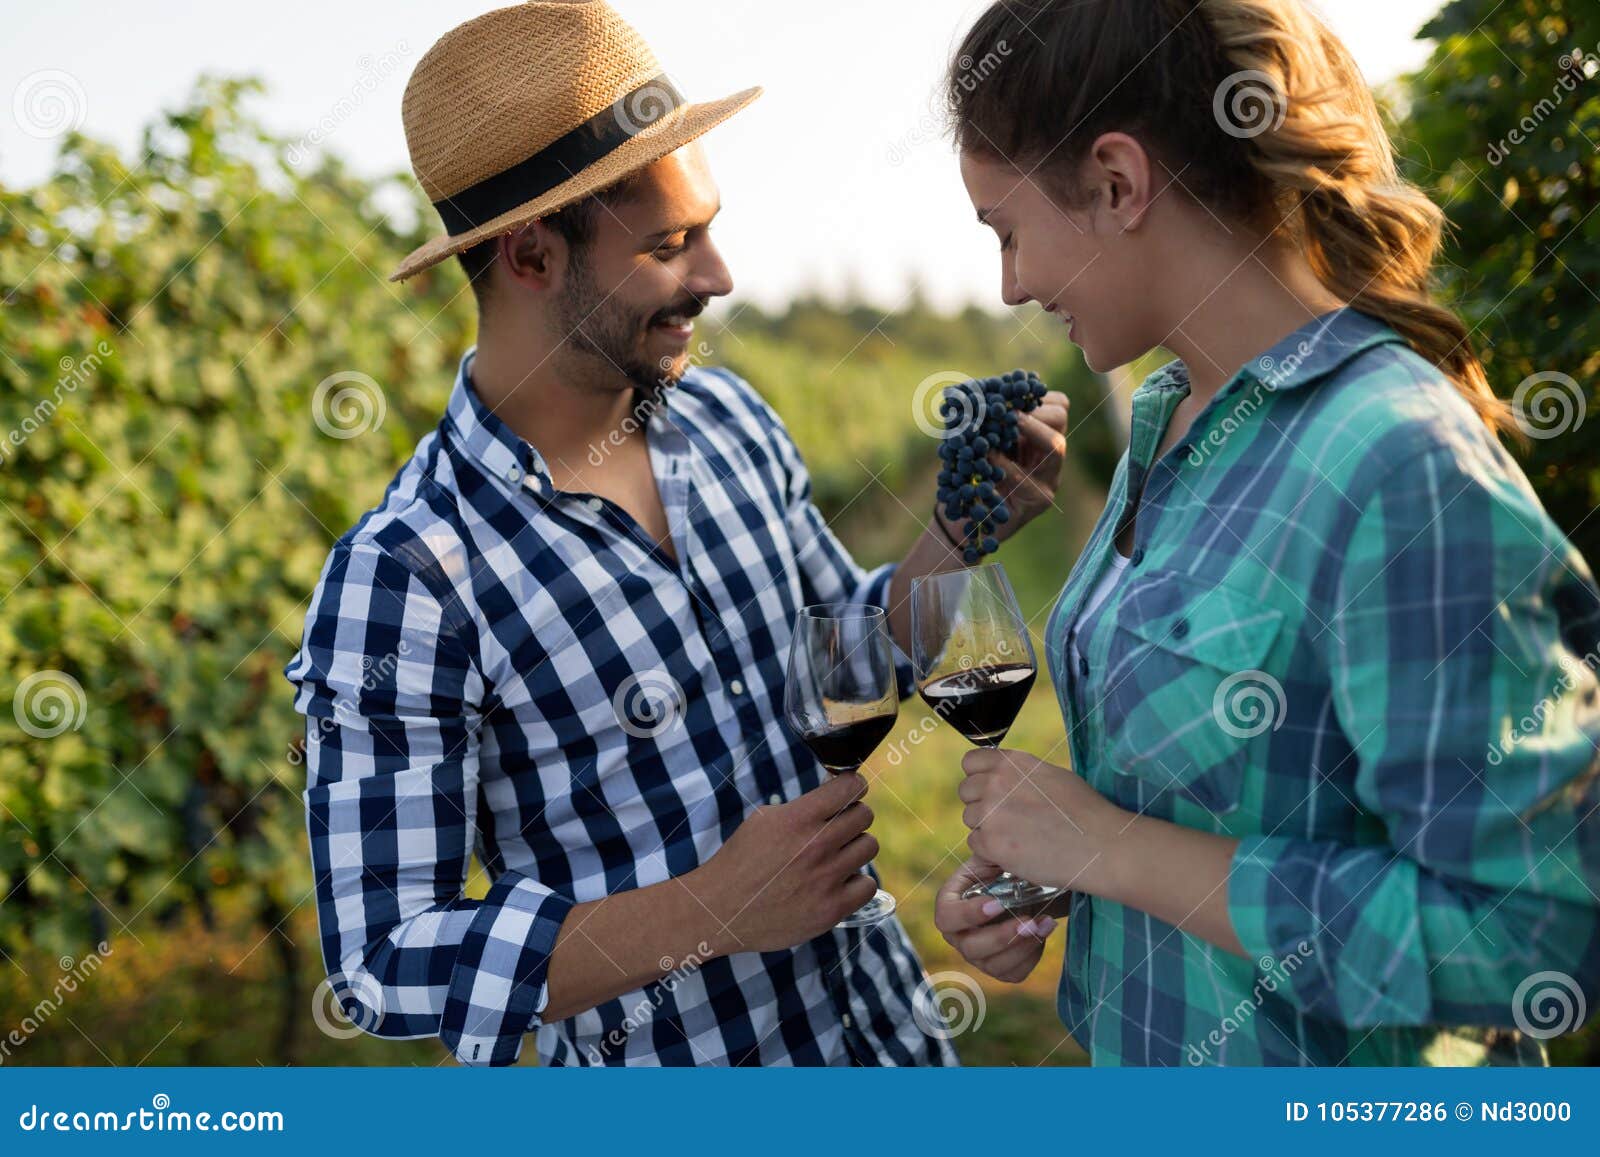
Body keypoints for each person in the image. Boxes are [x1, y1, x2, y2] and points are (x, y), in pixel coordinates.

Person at [283, 0, 1069, 1067]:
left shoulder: (726, 420)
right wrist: (709, 908)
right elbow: (380, 958)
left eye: (706, 227)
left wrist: (957, 535)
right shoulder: (407, 576)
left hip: (882, 1041)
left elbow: (846, 665)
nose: (718, 276)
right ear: (528, 255)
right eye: (670, 245)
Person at [934, 0, 1600, 1065]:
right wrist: (1060, 872)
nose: (1010, 282)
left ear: (1116, 183)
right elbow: (1241, 797)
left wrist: (1113, 848)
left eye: (1006, 232)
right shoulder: (1168, 422)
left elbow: (1528, 932)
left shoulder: (1394, 460)